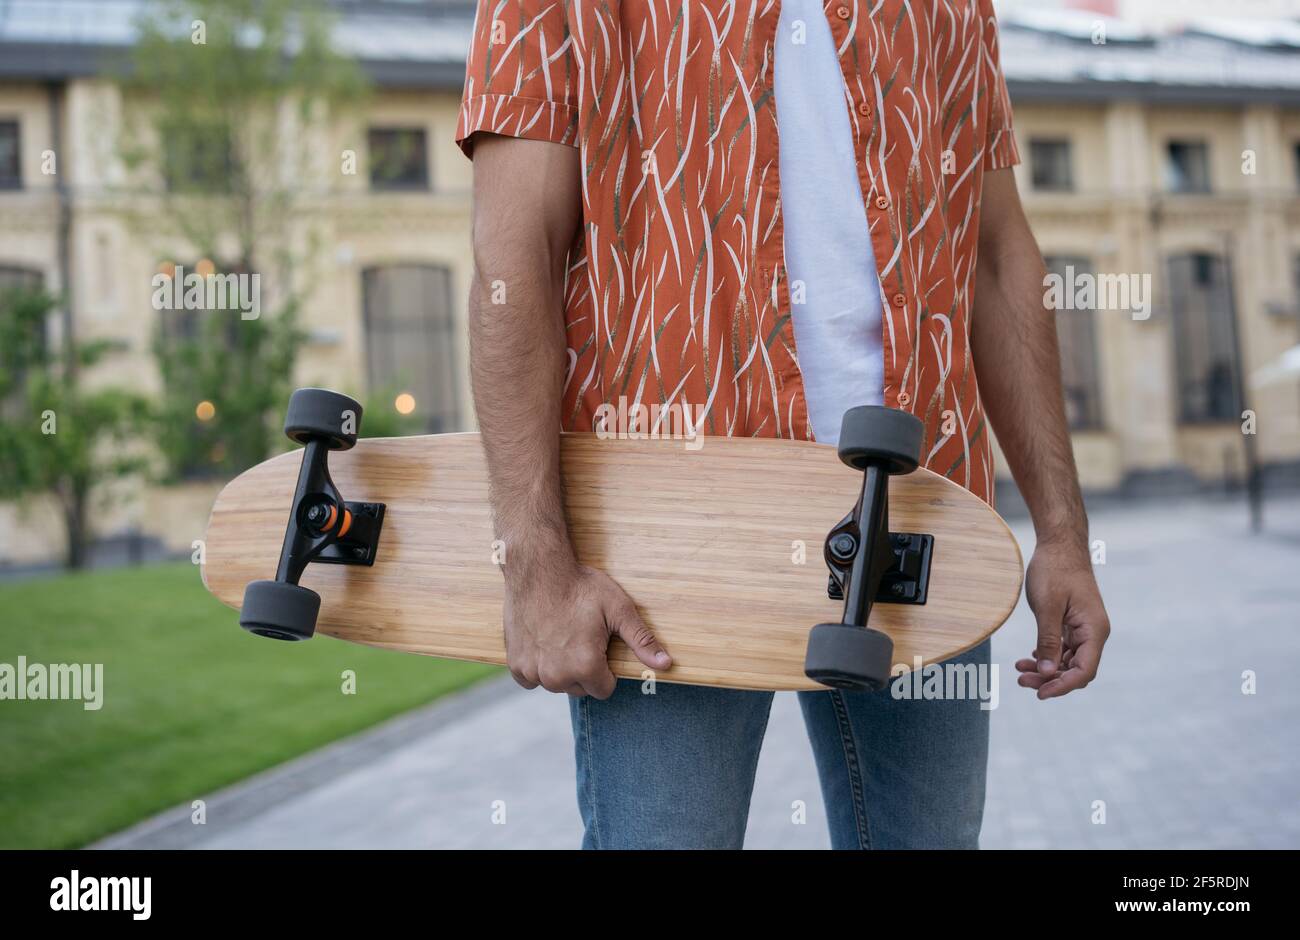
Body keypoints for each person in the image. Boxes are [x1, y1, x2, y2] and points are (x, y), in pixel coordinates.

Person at [455, 0, 1111, 849]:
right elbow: (516, 257)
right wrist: (534, 565)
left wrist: (1063, 533)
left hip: (924, 517)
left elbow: (996, 251)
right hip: (674, 533)